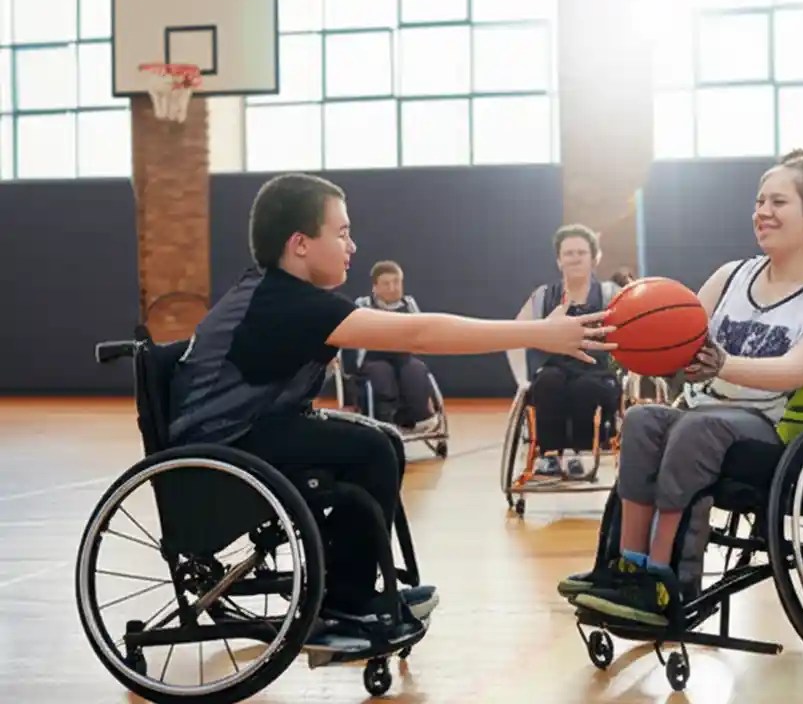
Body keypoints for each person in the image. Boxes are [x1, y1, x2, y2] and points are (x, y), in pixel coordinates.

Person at [166, 173, 613, 647]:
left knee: (380, 441)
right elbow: (421, 334)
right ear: (299, 244)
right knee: (369, 449)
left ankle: (349, 588)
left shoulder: (280, 294)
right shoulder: (286, 303)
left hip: (246, 430)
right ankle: (344, 604)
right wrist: (537, 333)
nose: (352, 245)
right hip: (220, 446)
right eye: (341, 233)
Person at [560, 149, 803, 627]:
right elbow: (677, 340)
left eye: (779, 202)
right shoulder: (730, 276)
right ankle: (625, 569)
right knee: (643, 420)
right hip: (705, 414)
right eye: (759, 200)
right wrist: (626, 333)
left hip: (774, 429)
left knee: (695, 429)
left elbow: (795, 369)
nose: (762, 211)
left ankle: (664, 581)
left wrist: (725, 364)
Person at [506, 224, 622, 478]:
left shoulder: (610, 294)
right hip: (555, 367)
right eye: (568, 253)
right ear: (559, 261)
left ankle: (578, 454)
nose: (575, 258)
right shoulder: (544, 296)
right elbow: (513, 335)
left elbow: (631, 335)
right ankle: (548, 456)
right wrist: (522, 381)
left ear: (594, 258)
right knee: (547, 381)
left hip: (597, 370)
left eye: (581, 252)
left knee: (586, 387)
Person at [352, 260, 441, 434]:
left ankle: (420, 417)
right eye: (386, 283)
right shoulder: (363, 304)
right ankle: (387, 419)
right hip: (373, 357)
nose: (393, 288)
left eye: (396, 282)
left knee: (415, 370)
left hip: (403, 355)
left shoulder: (408, 304)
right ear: (375, 287)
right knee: (381, 372)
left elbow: (420, 332)